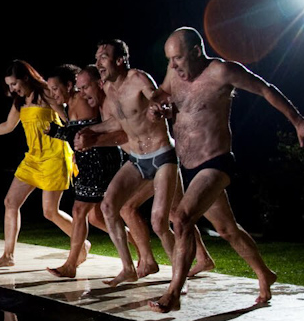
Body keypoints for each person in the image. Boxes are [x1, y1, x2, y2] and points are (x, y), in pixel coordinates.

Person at [147, 27, 304, 312]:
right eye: (169, 60)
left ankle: (174, 294)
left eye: (178, 58)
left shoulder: (222, 72)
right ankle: (265, 274)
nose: (173, 66)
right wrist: (156, 107)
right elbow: (160, 94)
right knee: (227, 229)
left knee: (181, 219)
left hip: (215, 162)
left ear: (196, 51)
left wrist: (297, 121)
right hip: (189, 166)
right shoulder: (175, 73)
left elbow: (265, 89)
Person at [76, 40, 214, 287]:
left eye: (104, 57)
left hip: (162, 155)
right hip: (137, 160)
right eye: (96, 58)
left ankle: (177, 281)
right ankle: (128, 268)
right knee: (109, 206)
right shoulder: (109, 89)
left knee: (160, 222)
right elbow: (119, 123)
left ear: (120, 60)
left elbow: (159, 99)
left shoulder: (138, 78)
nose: (99, 63)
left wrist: (160, 108)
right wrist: (90, 129)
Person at [0, 60, 79, 269]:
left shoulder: (46, 93)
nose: (12, 89)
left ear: (26, 77)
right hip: (33, 158)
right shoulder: (20, 101)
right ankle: (8, 255)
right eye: (9, 85)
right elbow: (8, 126)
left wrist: (77, 146)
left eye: (14, 84)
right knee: (10, 202)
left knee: (50, 211)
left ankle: (82, 243)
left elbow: (69, 120)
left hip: (55, 155)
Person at [44, 64, 125, 278]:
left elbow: (82, 135)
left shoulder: (81, 100)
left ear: (69, 85)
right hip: (86, 161)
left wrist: (56, 131)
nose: (53, 93)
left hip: (98, 159)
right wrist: (56, 129)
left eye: (56, 88)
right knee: (98, 217)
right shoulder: (71, 103)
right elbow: (76, 133)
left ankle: (71, 264)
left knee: (79, 211)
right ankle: (143, 250)